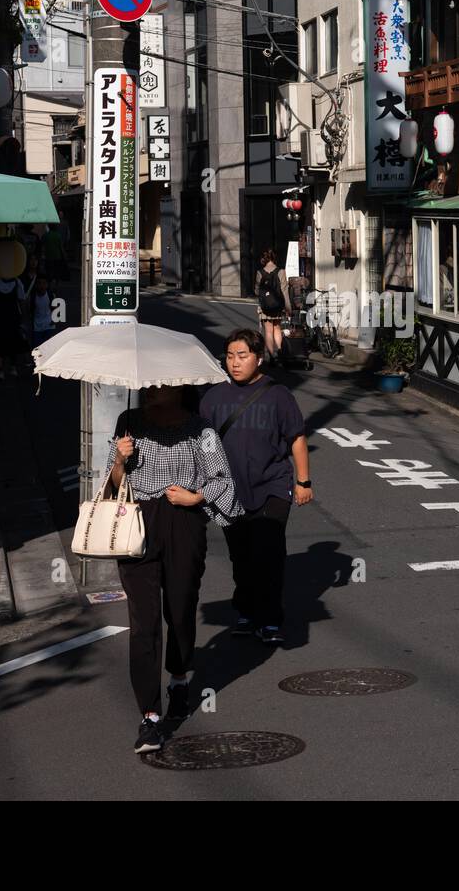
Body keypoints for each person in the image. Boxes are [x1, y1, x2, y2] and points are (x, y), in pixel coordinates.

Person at [106, 385, 242, 754]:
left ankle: (179, 679)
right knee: (144, 621)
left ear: (180, 388)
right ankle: (150, 716)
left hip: (183, 523)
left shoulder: (202, 430)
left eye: (160, 386)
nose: (150, 391)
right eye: (147, 385)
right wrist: (120, 460)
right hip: (138, 521)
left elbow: (223, 480)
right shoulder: (128, 422)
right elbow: (115, 483)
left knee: (180, 610)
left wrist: (195, 496)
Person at [200, 328, 310, 646]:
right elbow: (201, 443)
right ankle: (247, 611)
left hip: (273, 486)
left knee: (269, 552)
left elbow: (297, 438)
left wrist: (303, 481)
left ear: (258, 358)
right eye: (230, 356)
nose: (235, 363)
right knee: (242, 556)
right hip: (228, 491)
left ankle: (271, 619)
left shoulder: (278, 395)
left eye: (242, 356)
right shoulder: (213, 397)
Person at [0, 274, 27, 381]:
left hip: (11, 316)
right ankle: (1, 369)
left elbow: (22, 302)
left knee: (13, 340)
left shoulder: (17, 283)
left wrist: (23, 318)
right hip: (0, 316)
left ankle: (12, 367)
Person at [253, 249, 290, 364]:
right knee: (277, 328)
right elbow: (284, 291)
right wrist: (288, 307)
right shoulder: (281, 271)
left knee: (268, 331)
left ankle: (271, 356)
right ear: (274, 258)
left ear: (264, 259)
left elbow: (257, 291)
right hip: (278, 306)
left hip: (265, 307)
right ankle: (279, 350)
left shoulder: (260, 272)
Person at [29, 274, 58, 349]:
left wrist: (54, 320)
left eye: (44, 283)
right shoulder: (32, 297)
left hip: (49, 325)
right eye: (39, 283)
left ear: (47, 285)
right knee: (37, 349)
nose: (41, 286)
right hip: (37, 327)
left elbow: (55, 309)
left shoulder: (51, 295)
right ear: (36, 285)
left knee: (49, 347)